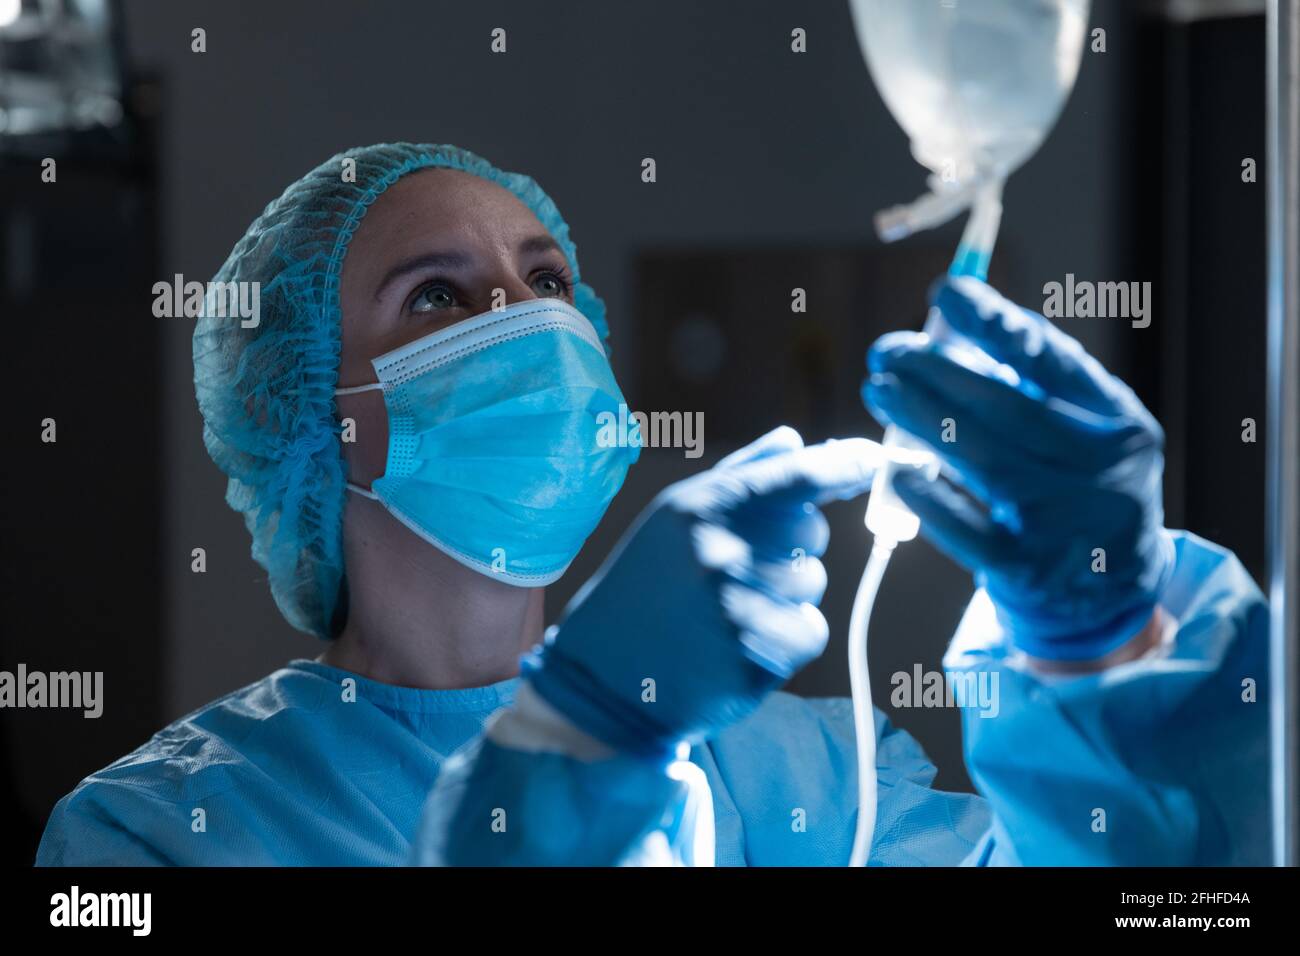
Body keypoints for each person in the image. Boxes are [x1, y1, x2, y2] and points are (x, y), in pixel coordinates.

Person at [36, 143, 1267, 866]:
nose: (533, 323)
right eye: (437, 297)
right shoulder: (159, 833)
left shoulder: (817, 766)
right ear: (311, 413)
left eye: (547, 277)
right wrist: (582, 745)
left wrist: (1112, 653)